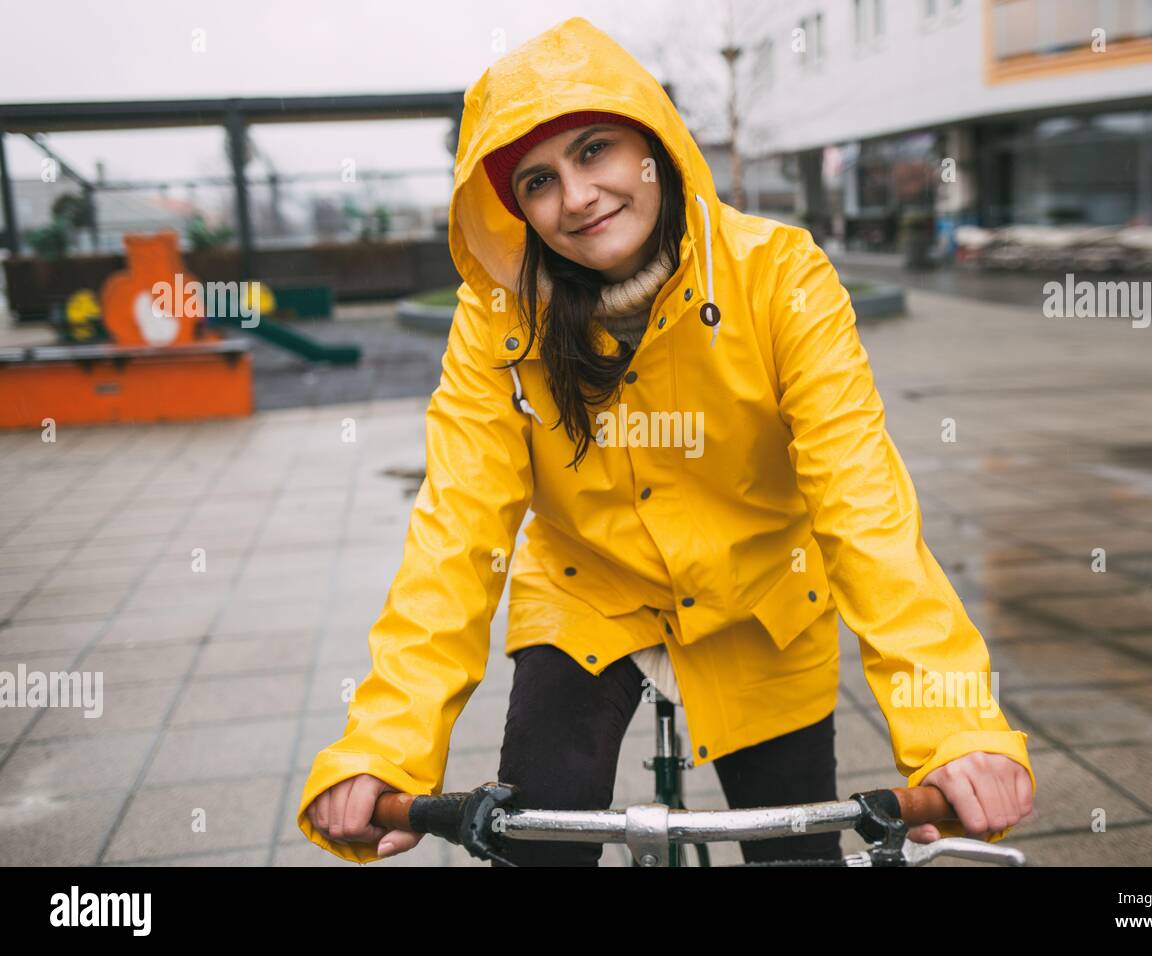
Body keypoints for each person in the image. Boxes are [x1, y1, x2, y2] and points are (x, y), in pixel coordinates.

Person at [299, 16, 1035, 866]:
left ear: (655, 142)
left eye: (595, 149)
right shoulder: (497, 319)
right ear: (515, 209)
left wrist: (956, 725)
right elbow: (455, 532)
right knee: (539, 846)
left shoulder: (781, 276)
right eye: (537, 180)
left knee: (797, 853)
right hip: (586, 596)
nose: (575, 197)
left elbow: (864, 506)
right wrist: (383, 745)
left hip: (762, 599)